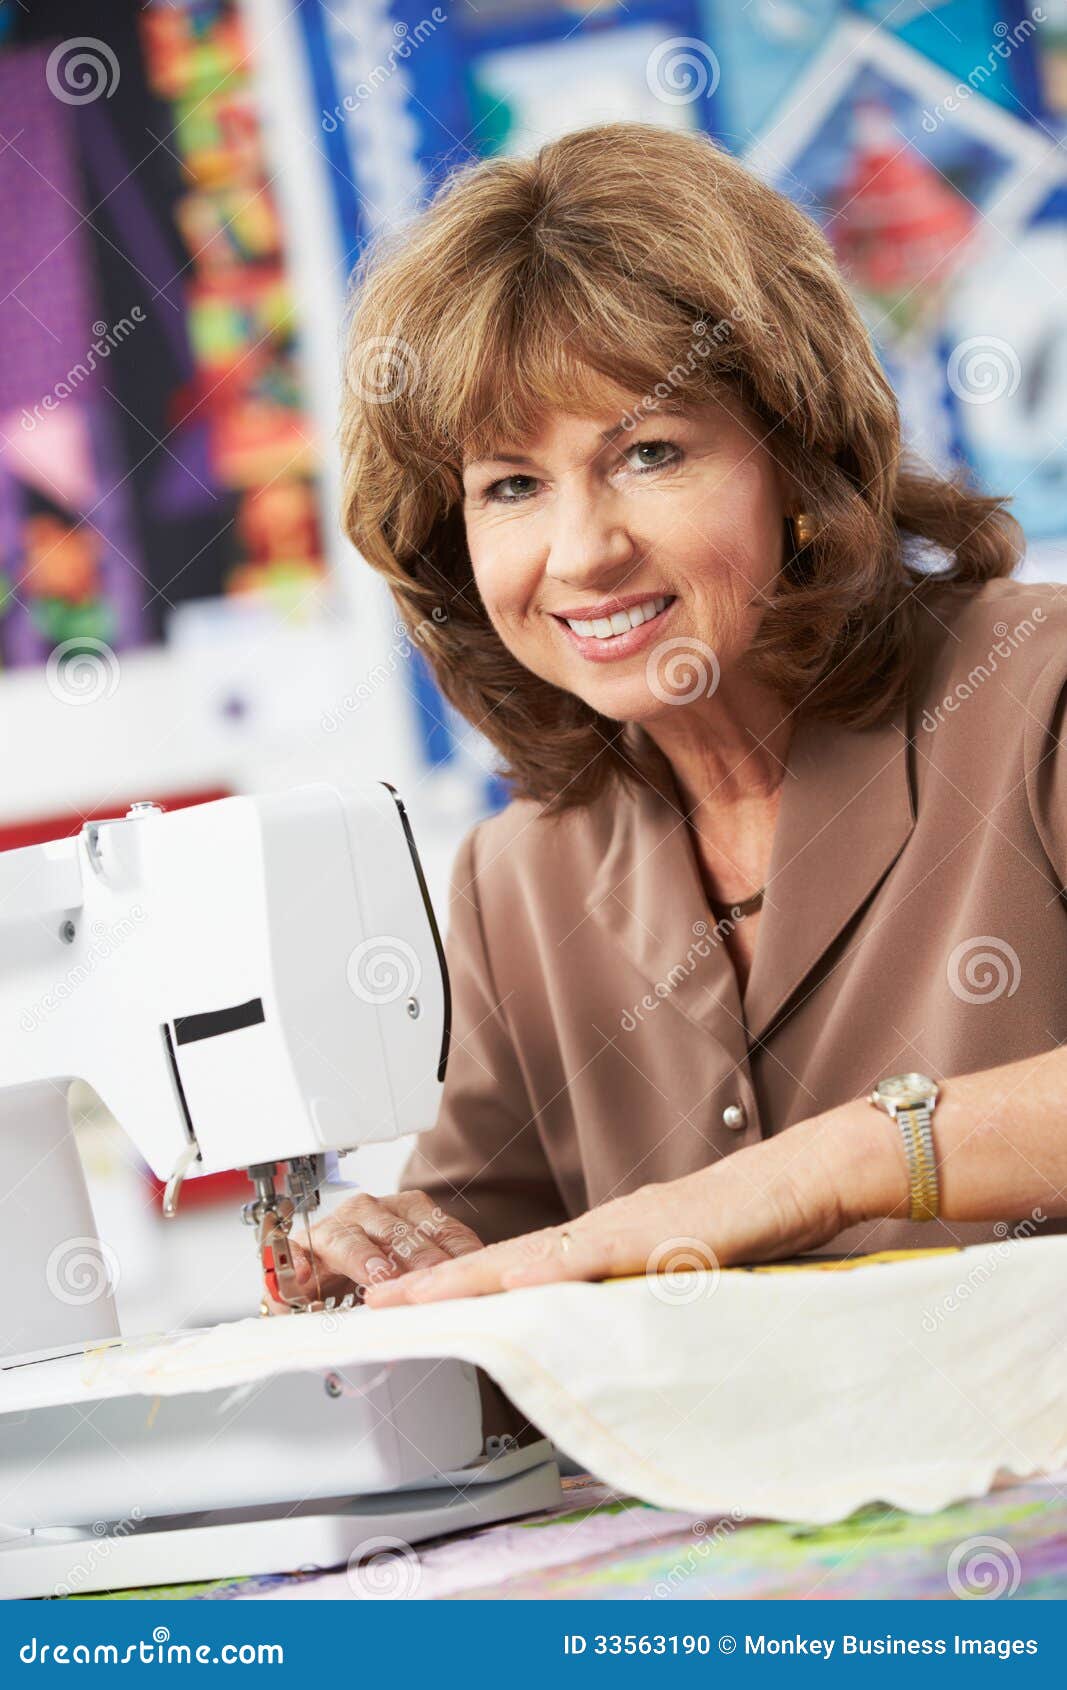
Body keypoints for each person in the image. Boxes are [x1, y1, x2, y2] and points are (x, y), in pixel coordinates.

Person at [290, 122, 1067, 1309]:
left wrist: (845, 1159)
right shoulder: (521, 887)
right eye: (510, 485)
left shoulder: (1033, 693)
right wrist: (379, 1271)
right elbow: (498, 1284)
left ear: (796, 464)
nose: (583, 552)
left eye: (648, 452)